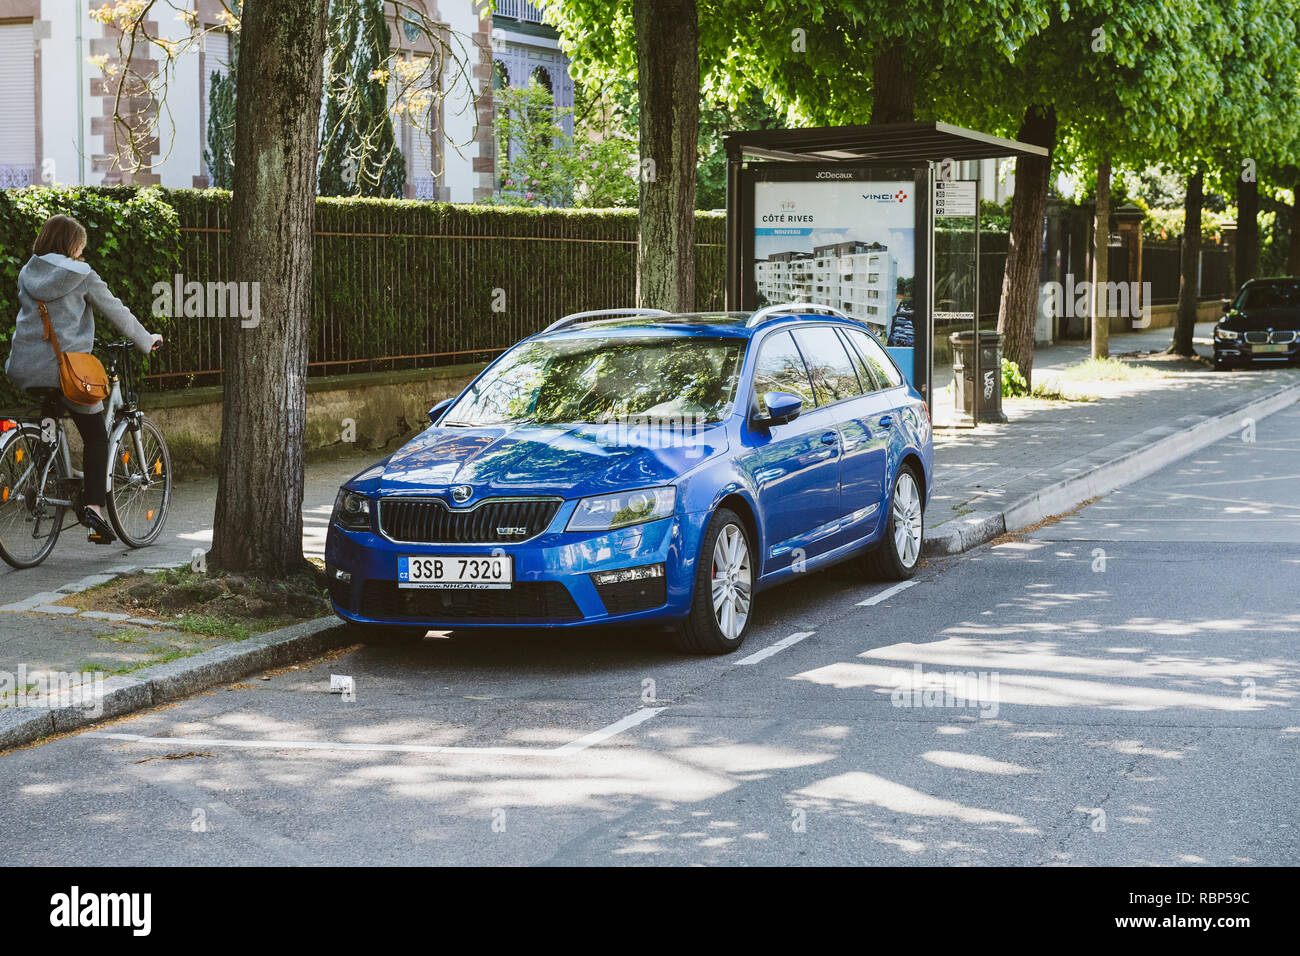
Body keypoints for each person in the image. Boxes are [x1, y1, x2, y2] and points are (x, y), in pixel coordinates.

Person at [4, 214, 162, 544]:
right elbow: (117, 312)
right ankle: (93, 509)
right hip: (67, 373)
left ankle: (46, 479)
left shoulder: (27, 272)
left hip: (26, 368)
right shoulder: (82, 275)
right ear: (72, 244)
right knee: (95, 436)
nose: (82, 252)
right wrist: (147, 340)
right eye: (81, 245)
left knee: (51, 422)